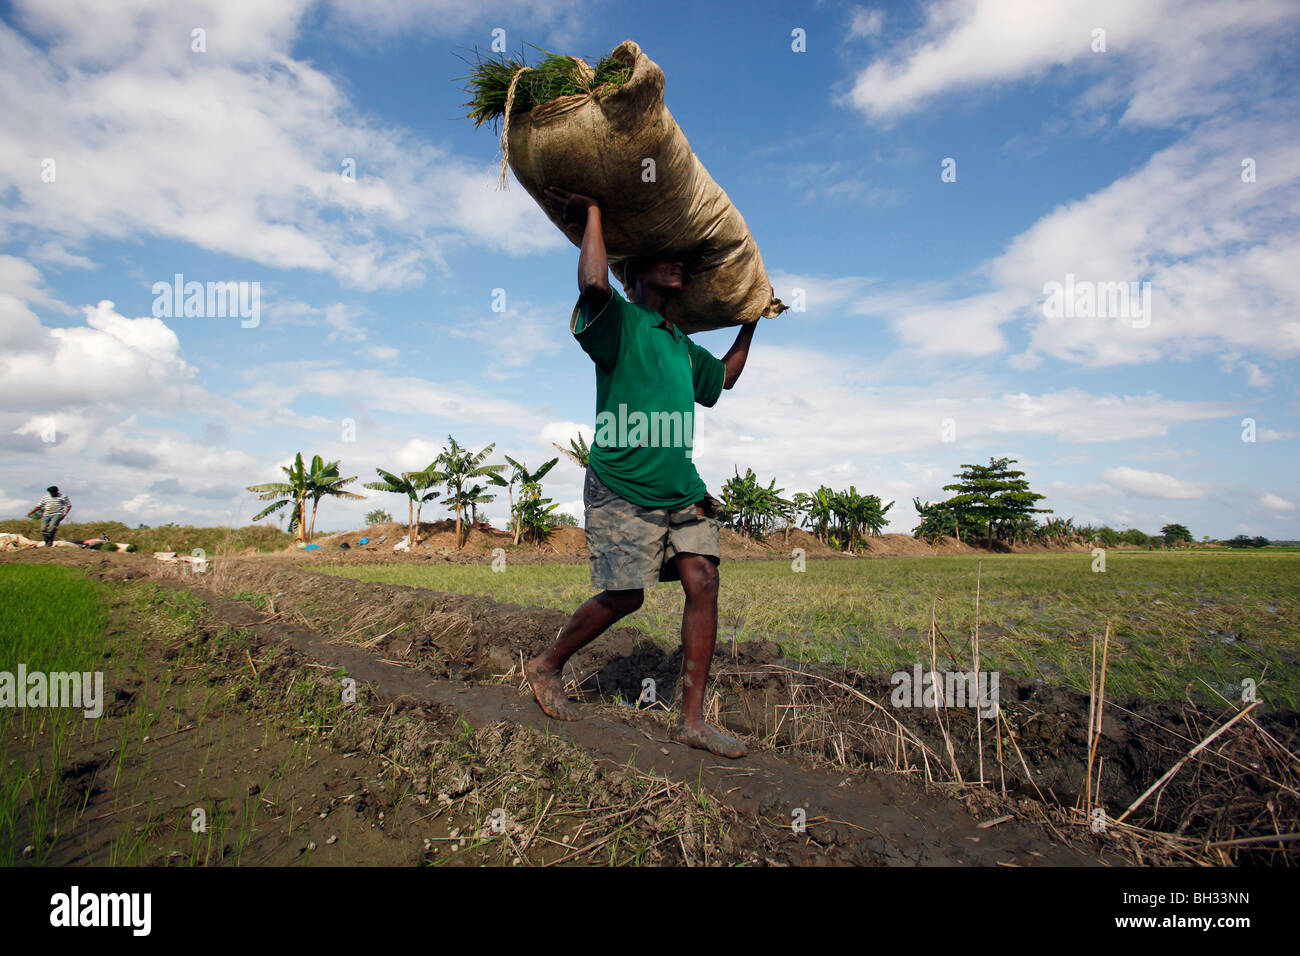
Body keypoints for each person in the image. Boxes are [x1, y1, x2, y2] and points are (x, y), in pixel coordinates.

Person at [525, 186, 763, 759]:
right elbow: (592, 285)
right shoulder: (620, 322)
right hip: (621, 484)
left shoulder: (683, 346)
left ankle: (691, 722)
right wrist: (596, 212)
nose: (676, 264)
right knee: (626, 595)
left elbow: (724, 380)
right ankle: (547, 663)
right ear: (634, 275)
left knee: (702, 581)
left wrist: (751, 322)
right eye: (664, 259)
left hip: (682, 489)